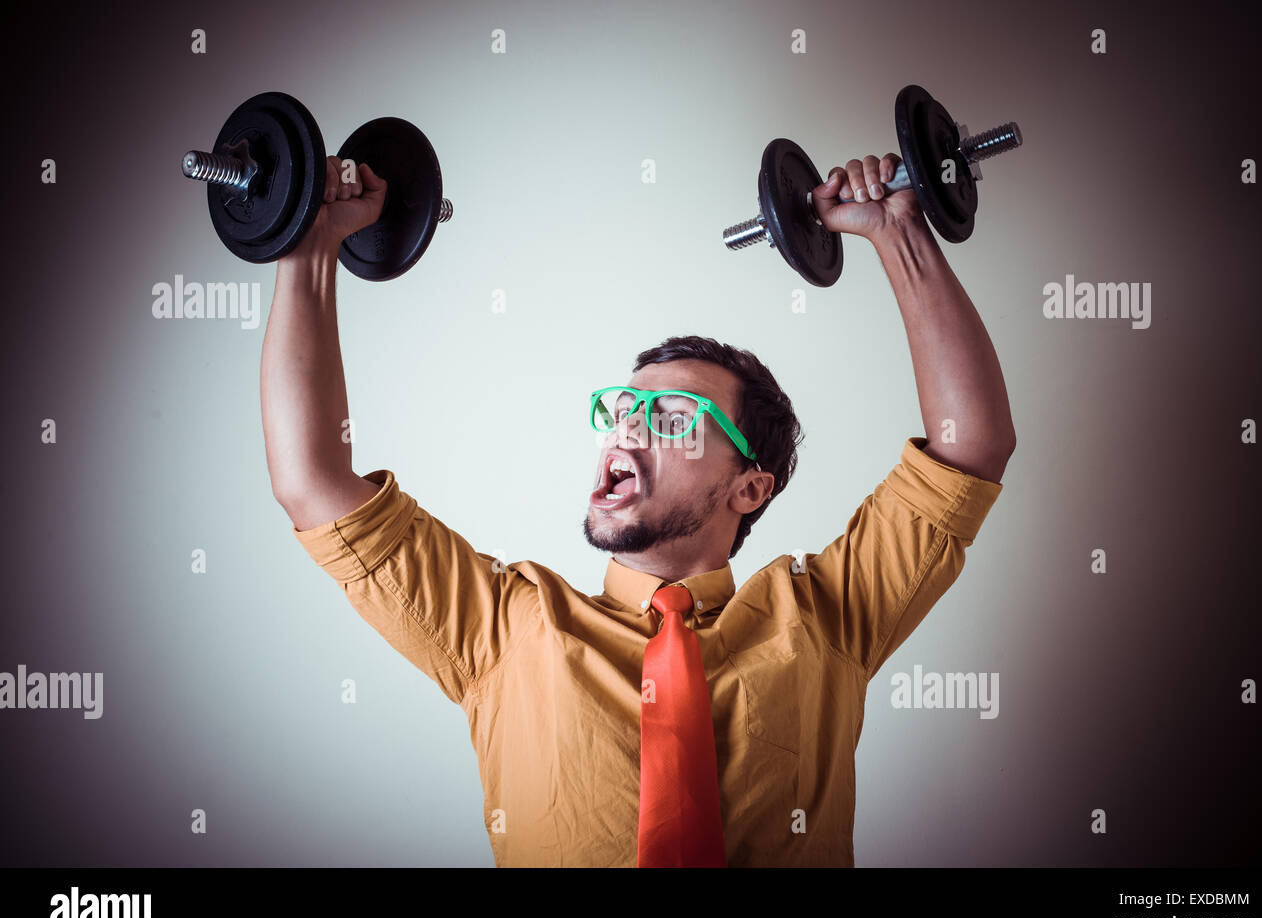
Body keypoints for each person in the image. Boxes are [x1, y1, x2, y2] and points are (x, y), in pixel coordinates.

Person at [261, 149, 1015, 867]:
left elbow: (971, 446)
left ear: (749, 487)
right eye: (623, 408)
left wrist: (898, 232)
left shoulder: (829, 615)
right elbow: (314, 479)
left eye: (672, 416)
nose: (628, 426)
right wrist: (309, 244)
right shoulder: (501, 626)